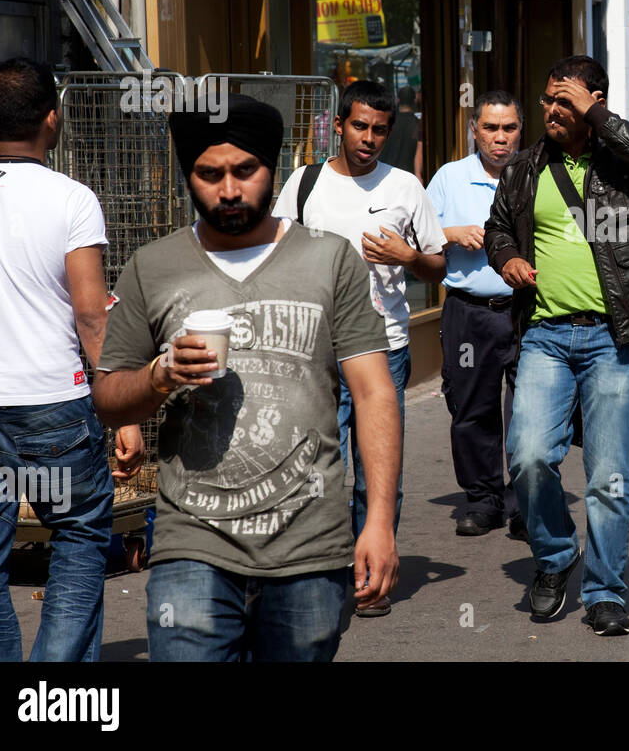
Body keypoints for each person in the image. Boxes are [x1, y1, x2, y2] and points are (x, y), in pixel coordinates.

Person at [94, 96, 401, 661]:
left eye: (245, 171)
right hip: (192, 546)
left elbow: (375, 392)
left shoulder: (330, 261)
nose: (229, 190)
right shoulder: (153, 267)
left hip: (310, 548)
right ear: (189, 175)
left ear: (272, 170)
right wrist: (159, 376)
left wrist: (379, 522)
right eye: (209, 175)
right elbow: (110, 400)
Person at [484, 55, 629, 636]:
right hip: (544, 333)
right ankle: (555, 555)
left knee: (609, 475)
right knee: (528, 454)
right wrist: (507, 257)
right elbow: (496, 227)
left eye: (564, 101)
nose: (550, 110)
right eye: (547, 100)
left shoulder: (622, 164)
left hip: (611, 338)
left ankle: (605, 589)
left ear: (592, 101)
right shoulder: (523, 168)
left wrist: (599, 116)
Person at [0, 57, 144, 662]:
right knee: (78, 535)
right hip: (53, 404)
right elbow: (93, 315)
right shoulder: (72, 199)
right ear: (53, 118)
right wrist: (123, 412)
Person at [272, 80, 444, 617]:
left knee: (376, 471)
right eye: (360, 126)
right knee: (318, 468)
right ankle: (322, 572)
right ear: (339, 126)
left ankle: (372, 576)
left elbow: (438, 265)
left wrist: (407, 254)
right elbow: (274, 253)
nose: (369, 138)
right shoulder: (304, 184)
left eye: (379, 130)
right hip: (316, 352)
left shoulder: (405, 188)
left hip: (384, 347)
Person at [426, 90, 525, 539]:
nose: (499, 138)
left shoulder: (535, 174)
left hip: (528, 310)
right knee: (471, 409)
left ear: (520, 130)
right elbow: (417, 236)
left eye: (509, 128)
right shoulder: (450, 177)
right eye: (490, 128)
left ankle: (528, 503)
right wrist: (451, 232)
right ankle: (484, 500)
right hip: (469, 313)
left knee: (532, 409)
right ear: (474, 130)